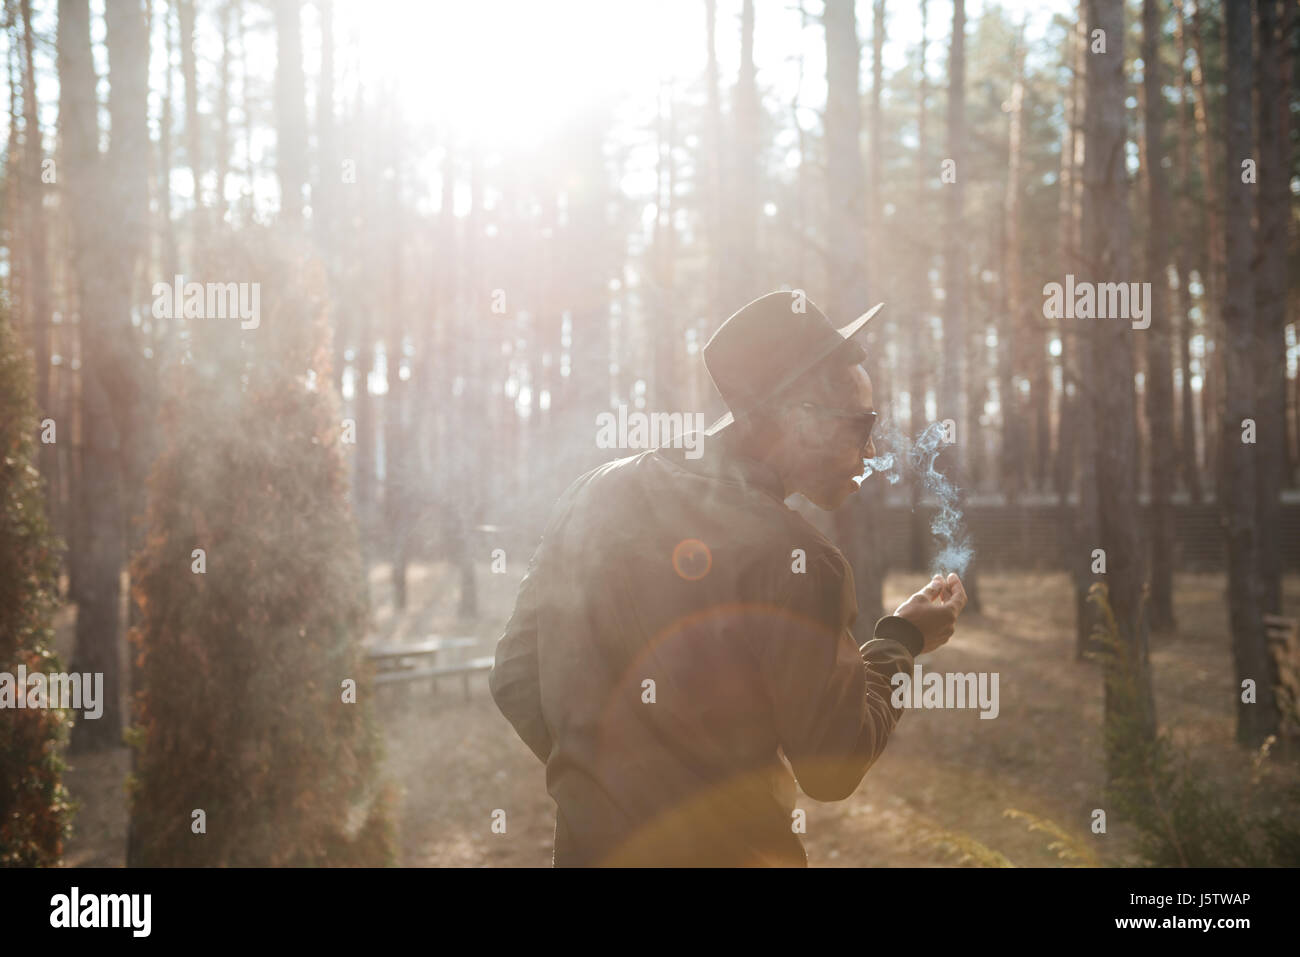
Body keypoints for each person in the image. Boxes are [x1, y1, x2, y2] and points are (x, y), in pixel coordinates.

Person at [489, 290, 968, 866]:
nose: (870, 449)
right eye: (861, 423)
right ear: (799, 420)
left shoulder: (593, 493)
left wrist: (608, 789)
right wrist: (902, 640)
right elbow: (833, 763)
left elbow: (515, 675)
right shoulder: (798, 559)